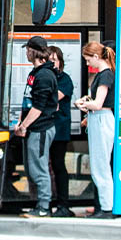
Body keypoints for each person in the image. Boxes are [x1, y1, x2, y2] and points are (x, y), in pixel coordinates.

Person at [13, 36, 58, 218]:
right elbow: (28, 102)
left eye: (28, 49)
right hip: (34, 127)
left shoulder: (44, 75)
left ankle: (44, 206)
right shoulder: (36, 73)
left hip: (40, 128)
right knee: (33, 167)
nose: (26, 52)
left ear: (34, 51)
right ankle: (40, 204)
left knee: (39, 168)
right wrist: (21, 121)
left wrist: (23, 125)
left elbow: (38, 107)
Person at [78, 41, 116, 218]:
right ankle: (105, 206)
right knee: (100, 165)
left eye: (88, 60)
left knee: (101, 166)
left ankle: (106, 207)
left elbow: (98, 103)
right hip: (100, 118)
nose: (87, 64)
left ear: (95, 56)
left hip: (101, 118)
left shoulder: (105, 74)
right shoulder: (106, 73)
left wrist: (83, 103)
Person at [47, 46, 74, 217]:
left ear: (60, 62)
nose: (52, 63)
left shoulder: (65, 79)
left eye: (54, 60)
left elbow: (52, 98)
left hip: (59, 129)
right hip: (44, 126)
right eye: (48, 60)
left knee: (58, 165)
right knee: (43, 166)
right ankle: (45, 202)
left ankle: (63, 204)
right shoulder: (42, 77)